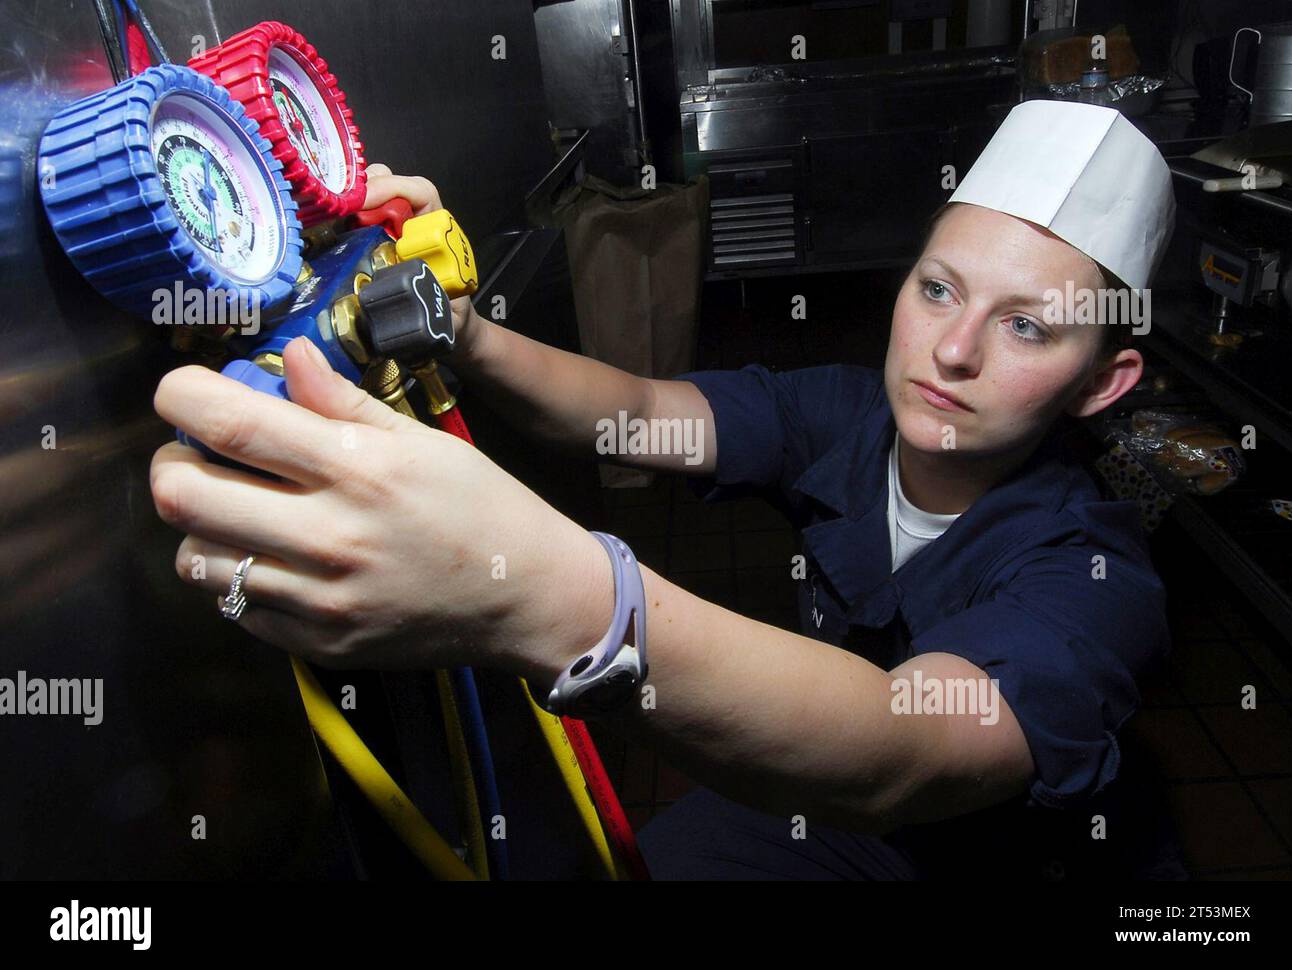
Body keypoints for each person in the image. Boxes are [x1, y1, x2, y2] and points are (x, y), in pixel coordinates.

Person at [148, 101, 1184, 879]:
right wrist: (454, 329)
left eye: (1027, 326)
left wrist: (552, 599)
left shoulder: (1097, 581)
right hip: (819, 803)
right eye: (938, 288)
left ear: (1102, 382)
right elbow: (636, 413)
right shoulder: (848, 415)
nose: (950, 348)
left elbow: (897, 747)